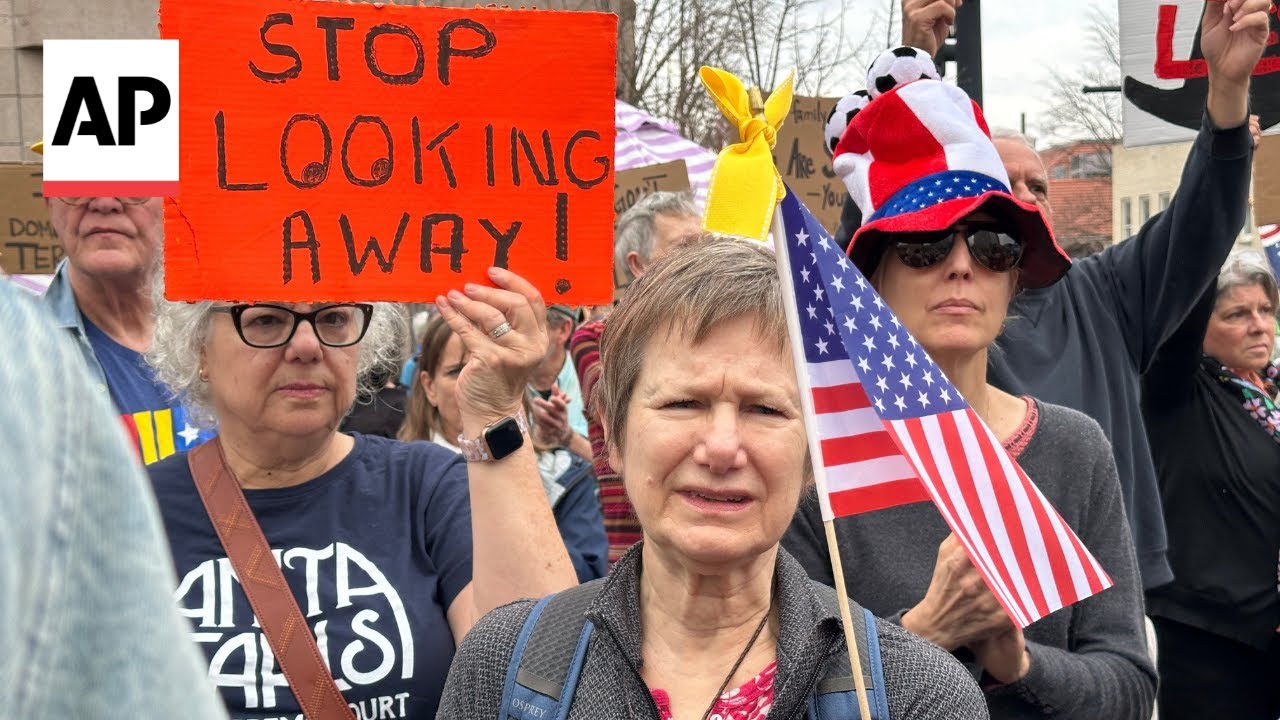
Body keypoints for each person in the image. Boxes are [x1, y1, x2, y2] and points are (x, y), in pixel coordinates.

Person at [438, 236, 989, 720]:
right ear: (615, 435)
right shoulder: (504, 665)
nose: (723, 447)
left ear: (811, 454)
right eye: (683, 403)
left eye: (765, 410)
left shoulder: (917, 696)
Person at [832, 0, 1272, 590]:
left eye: (1036, 186)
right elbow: (852, 277)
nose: (1023, 197)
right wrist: (913, 74)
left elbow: (1199, 223)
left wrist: (1225, 89)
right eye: (1001, 185)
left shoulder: (1108, 293)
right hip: (966, 583)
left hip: (1105, 592)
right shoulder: (929, 312)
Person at [786, 49, 1154, 718]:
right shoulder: (817, 464)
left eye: (993, 247)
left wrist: (1019, 662)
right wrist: (927, 630)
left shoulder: (1076, 449)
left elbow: (1129, 690)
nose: (961, 266)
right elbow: (780, 692)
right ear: (872, 275)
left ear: (1014, 277)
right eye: (925, 244)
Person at [145, 267, 578, 718]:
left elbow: (543, 675)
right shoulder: (131, 513)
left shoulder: (427, 487)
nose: (308, 345)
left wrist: (496, 409)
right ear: (199, 348)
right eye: (266, 320)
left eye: (333, 318)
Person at [0, 277, 227, 719]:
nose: (103, 203)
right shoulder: (21, 350)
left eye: (137, 198)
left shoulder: (232, 326)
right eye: (72, 199)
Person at [1141, 251, 1280, 719]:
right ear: (1201, 324)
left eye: (1265, 309)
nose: (1259, 324)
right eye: (1237, 314)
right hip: (1211, 636)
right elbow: (1180, 308)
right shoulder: (1176, 389)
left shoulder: (1271, 395)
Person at [399, 313, 608, 582]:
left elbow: (586, 584)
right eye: (456, 371)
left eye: (492, 369)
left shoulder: (564, 476)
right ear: (429, 387)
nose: (475, 383)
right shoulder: (400, 484)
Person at [36, 158, 215, 462]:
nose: (105, 203)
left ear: (175, 202)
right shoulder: (15, 358)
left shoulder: (238, 329)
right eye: (79, 182)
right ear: (50, 202)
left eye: (134, 181)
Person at [571, 191, 703, 565]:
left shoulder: (712, 335)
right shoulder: (595, 336)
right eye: (685, 246)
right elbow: (619, 406)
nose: (700, 258)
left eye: (705, 245)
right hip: (634, 556)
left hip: (707, 542)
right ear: (638, 264)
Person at [528, 304, 593, 461]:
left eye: (529, 326)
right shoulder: (501, 389)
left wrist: (568, 437)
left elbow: (622, 466)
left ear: (563, 330)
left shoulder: (595, 378)